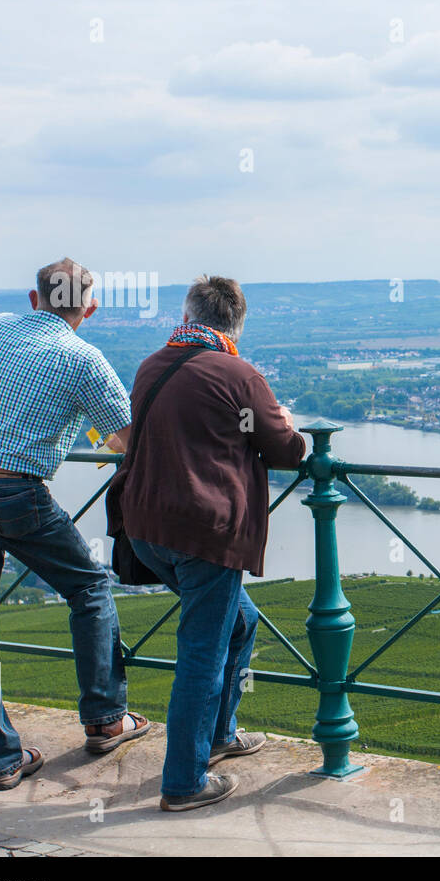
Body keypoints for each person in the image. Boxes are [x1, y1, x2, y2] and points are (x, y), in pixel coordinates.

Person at [0, 258, 151, 790]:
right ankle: (104, 719)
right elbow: (127, 440)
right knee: (90, 587)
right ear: (88, 309)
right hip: (14, 493)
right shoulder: (85, 359)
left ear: (35, 299)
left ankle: (1, 760)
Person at [112, 275, 305, 812]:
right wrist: (290, 425)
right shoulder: (241, 376)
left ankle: (219, 735)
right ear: (236, 324)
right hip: (204, 534)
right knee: (202, 652)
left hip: (147, 528)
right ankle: (183, 781)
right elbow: (287, 452)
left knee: (241, 622)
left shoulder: (153, 364)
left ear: (188, 314)